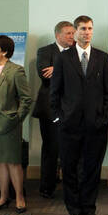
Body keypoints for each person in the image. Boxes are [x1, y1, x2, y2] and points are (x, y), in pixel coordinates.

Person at [49, 15, 108, 215]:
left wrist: (105, 118)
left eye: (89, 28)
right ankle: (73, 209)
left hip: (96, 125)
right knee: (69, 168)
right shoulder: (63, 58)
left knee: (91, 169)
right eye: (82, 28)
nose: (86, 32)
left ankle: (88, 208)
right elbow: (55, 92)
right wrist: (59, 118)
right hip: (69, 124)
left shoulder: (102, 58)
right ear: (75, 32)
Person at [0, 34, 33, 213]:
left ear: (4, 51)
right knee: (0, 162)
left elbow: (27, 99)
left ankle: (19, 197)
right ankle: (3, 197)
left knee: (13, 162)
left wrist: (17, 118)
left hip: (8, 123)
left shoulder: (15, 70)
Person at [32, 21, 74, 199]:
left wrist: (57, 69)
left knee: (71, 148)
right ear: (58, 35)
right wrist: (67, 71)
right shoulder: (45, 51)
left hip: (71, 108)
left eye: (73, 33)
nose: (72, 36)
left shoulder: (76, 52)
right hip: (49, 107)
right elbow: (45, 76)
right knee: (51, 148)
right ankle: (46, 187)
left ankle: (70, 187)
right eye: (68, 34)